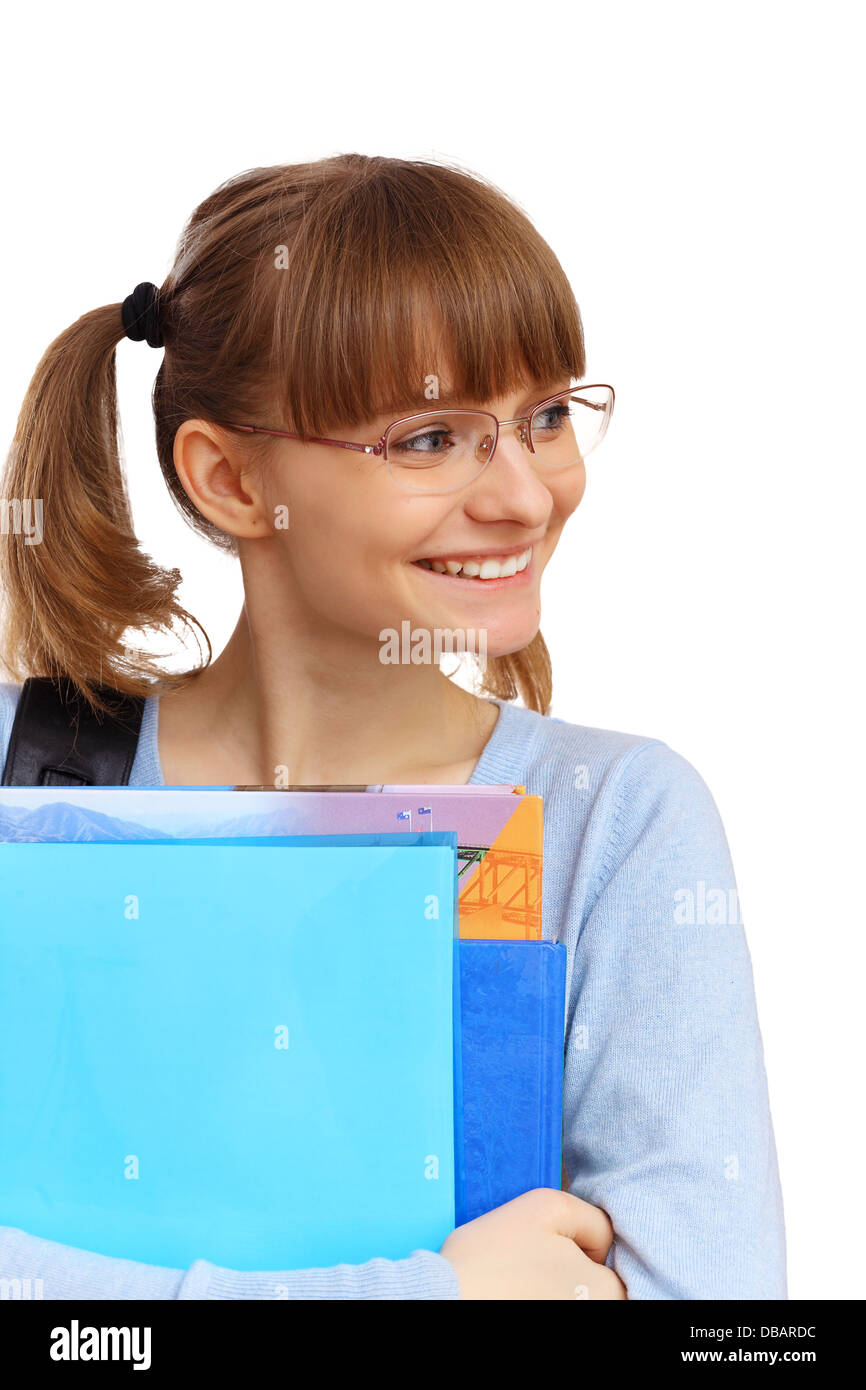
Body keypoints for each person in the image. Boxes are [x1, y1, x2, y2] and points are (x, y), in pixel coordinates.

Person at [0, 154, 785, 1299]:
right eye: (429, 439)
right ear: (228, 479)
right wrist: (436, 1292)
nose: (524, 495)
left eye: (545, 417)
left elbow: (715, 1316)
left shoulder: (617, 823)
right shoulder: (25, 772)